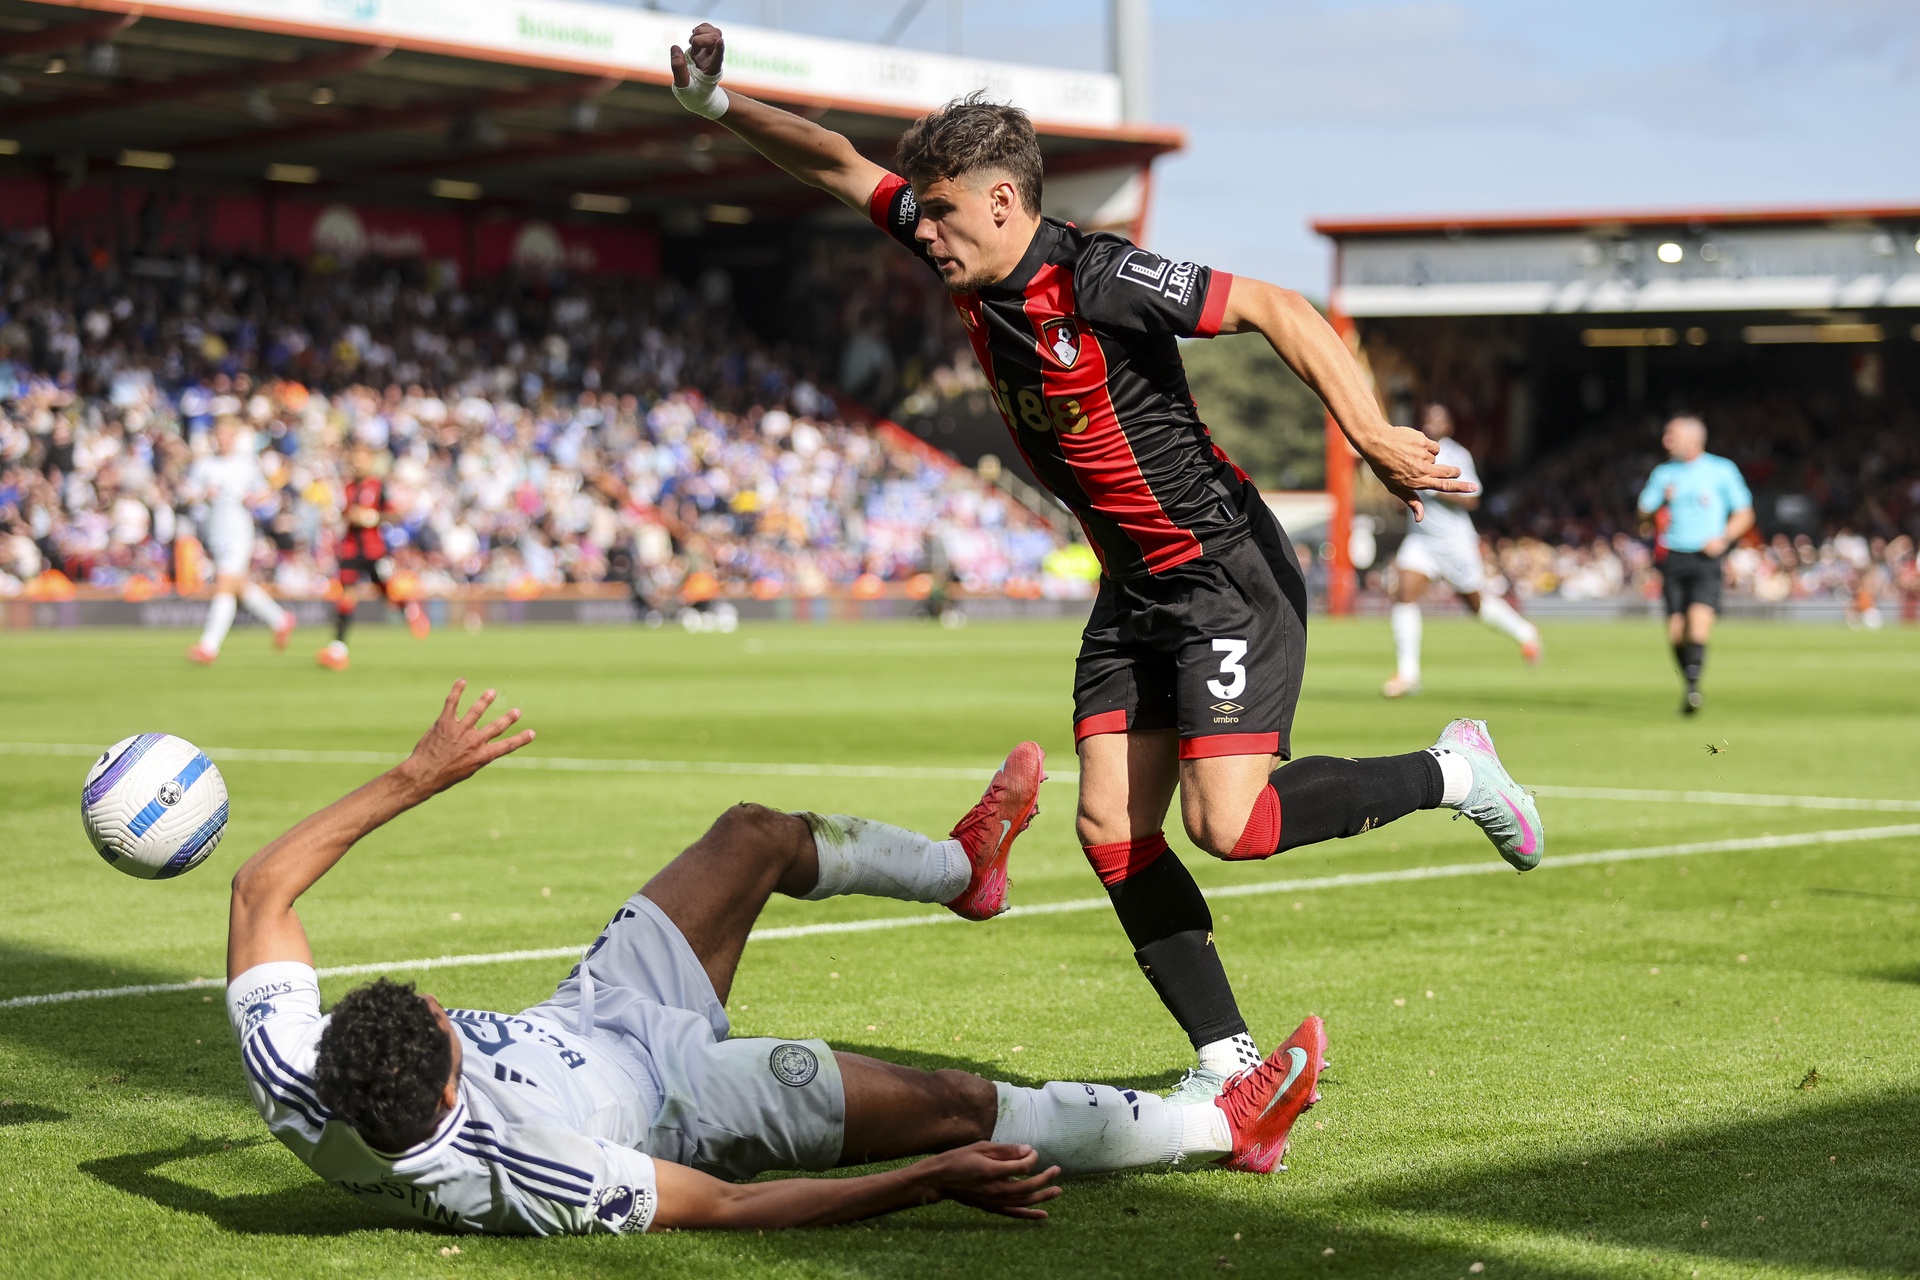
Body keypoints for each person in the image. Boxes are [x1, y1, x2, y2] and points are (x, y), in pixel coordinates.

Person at [666, 23, 1544, 1101]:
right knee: (1109, 829)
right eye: (922, 212)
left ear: (1003, 201)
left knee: (1232, 824)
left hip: (1224, 571)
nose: (923, 230)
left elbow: (1280, 306)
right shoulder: (952, 241)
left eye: (941, 211)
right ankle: (1231, 1066)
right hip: (1132, 586)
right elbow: (839, 160)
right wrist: (716, 103)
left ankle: (1457, 770)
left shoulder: (1098, 272)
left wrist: (1368, 432)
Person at [224, 685, 1329, 1236]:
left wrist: (416, 775)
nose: (438, 1003)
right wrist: (924, 1181)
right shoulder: (534, 1172)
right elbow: (717, 1205)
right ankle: (1228, 1126)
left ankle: (963, 868)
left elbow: (259, 886)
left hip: (598, 1009)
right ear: (451, 1080)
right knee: (954, 1104)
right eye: (439, 1017)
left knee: (751, 831)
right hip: (680, 1098)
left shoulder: (299, 1077)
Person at [1383, 404, 1540, 698]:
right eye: (1428, 417)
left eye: (1439, 418)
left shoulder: (1456, 454)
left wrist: (1436, 488)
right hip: (1421, 539)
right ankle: (1408, 674)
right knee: (1403, 595)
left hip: (1454, 543)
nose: (1432, 423)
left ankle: (1525, 632)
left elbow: (1473, 497)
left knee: (1475, 605)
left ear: (1449, 426)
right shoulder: (1411, 449)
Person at [1637, 414, 1754, 714]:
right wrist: (1662, 503)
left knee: (1698, 627)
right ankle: (1691, 685)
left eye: (1671, 434)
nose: (1665, 440)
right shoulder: (1664, 473)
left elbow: (1745, 513)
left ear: (1693, 438)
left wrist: (1724, 539)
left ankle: (1692, 689)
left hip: (1706, 558)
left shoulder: (1721, 469)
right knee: (1676, 633)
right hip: (1673, 556)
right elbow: (1643, 516)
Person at [182, 417, 294, 664]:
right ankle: (280, 619)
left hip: (239, 531)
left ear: (234, 438)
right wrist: (203, 495)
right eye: (219, 435)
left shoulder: (246, 464)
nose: (223, 439)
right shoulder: (204, 466)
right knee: (238, 585)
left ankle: (208, 646)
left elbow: (266, 493)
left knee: (224, 583)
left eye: (227, 435)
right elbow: (188, 496)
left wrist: (254, 499)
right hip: (215, 532)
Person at [316, 444, 429, 672]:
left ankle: (409, 607)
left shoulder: (378, 486)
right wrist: (335, 517)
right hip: (350, 549)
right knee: (346, 595)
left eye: (361, 458)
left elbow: (395, 514)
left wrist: (373, 517)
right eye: (354, 458)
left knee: (387, 593)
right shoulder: (346, 487)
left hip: (374, 550)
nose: (357, 463)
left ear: (369, 461)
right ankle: (338, 648)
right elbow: (343, 512)